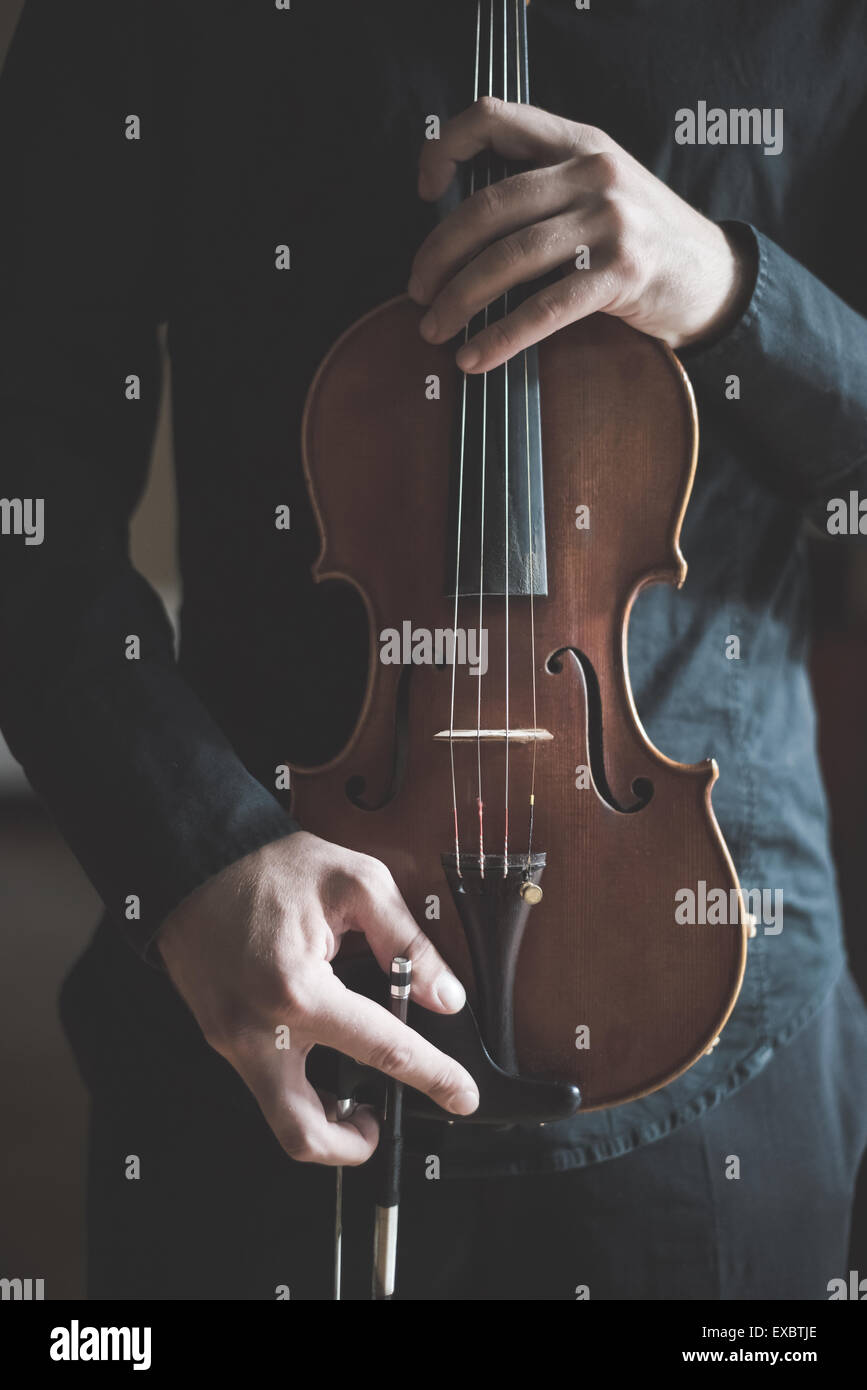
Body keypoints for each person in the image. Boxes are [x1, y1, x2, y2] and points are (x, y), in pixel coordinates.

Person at [1, 0, 866, 1300]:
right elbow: (24, 466)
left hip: (717, 1010)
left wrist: (735, 293)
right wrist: (191, 852)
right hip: (243, 975)